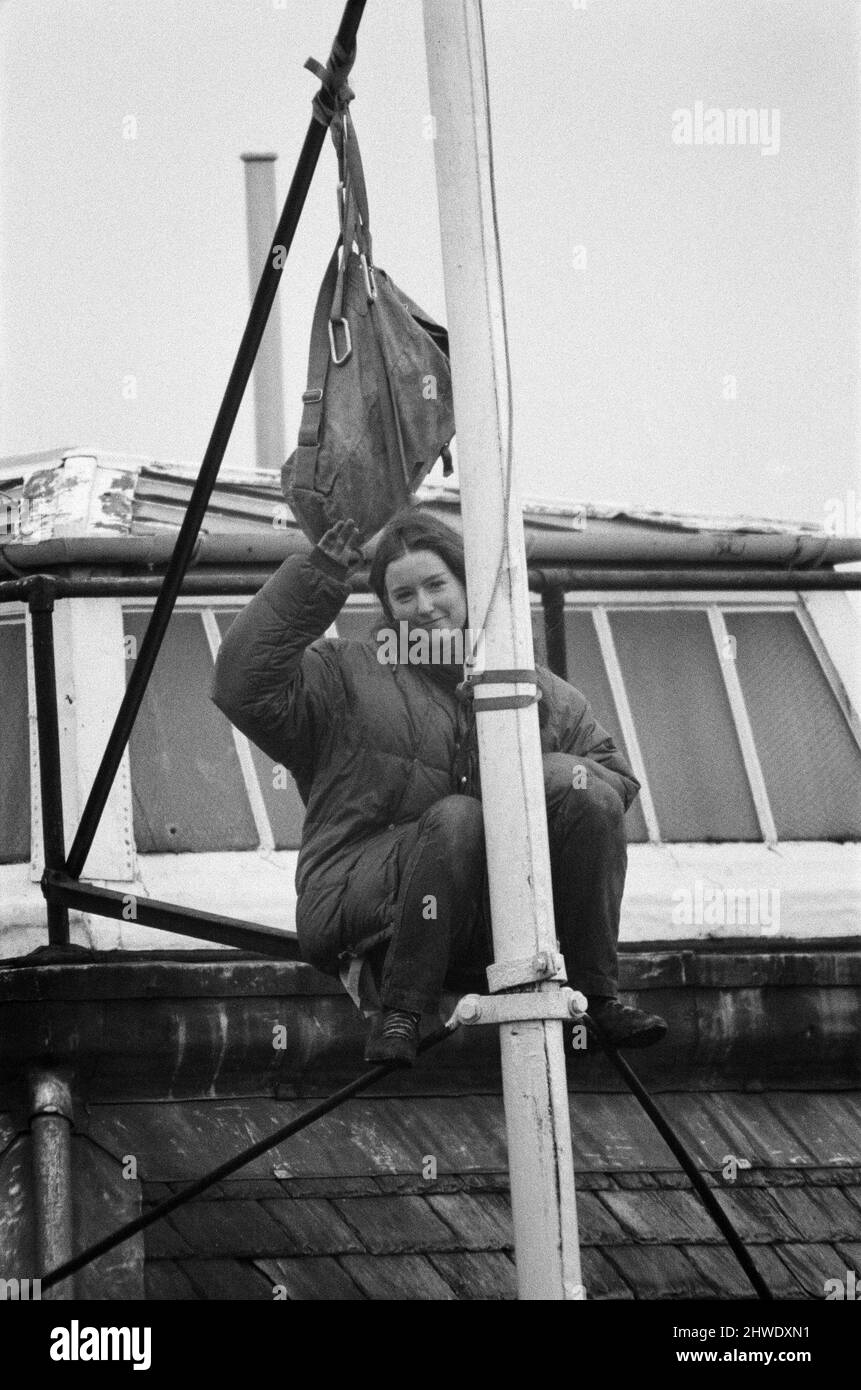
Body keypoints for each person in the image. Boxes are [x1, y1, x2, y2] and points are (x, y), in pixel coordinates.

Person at [210, 507, 667, 1065]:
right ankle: (401, 1014)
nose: (424, 608)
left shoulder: (532, 689)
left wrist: (520, 764)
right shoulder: (341, 674)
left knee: (581, 790)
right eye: (404, 596)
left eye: (435, 586)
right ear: (386, 608)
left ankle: (599, 998)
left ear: (468, 585)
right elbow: (239, 685)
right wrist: (319, 574)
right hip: (366, 902)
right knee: (458, 817)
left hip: (490, 918)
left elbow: (614, 784)